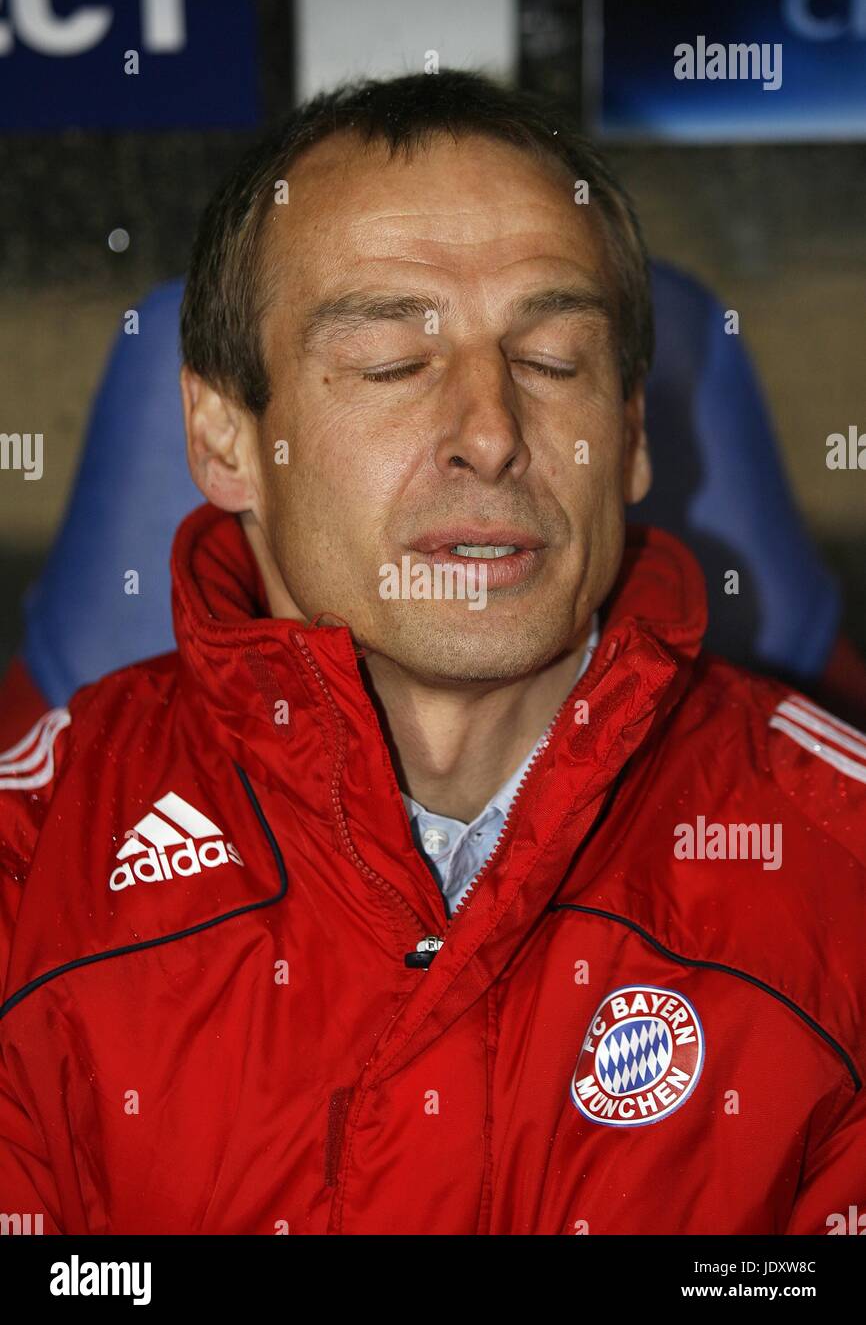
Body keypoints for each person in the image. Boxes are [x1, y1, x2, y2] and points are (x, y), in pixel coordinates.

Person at [1, 71, 864, 1236]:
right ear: (224, 438)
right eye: (392, 367)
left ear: (629, 440)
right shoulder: (27, 874)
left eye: (554, 361)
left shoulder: (834, 870)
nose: (492, 435)